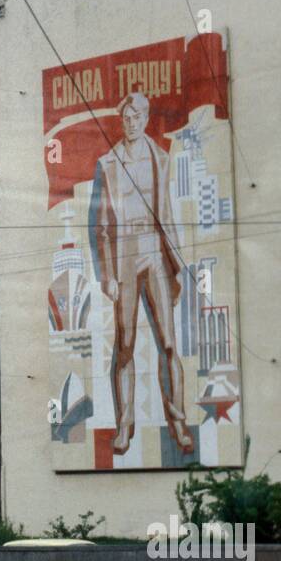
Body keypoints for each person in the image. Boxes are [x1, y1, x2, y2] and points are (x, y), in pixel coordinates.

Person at [92, 90, 193, 455]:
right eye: (126, 118)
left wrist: (177, 260)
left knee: (169, 342)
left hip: (154, 249)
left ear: (146, 119)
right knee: (126, 345)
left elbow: (167, 213)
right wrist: (107, 275)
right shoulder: (109, 162)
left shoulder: (161, 159)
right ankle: (124, 425)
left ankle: (178, 422)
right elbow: (102, 225)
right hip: (125, 254)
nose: (131, 123)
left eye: (136, 117)